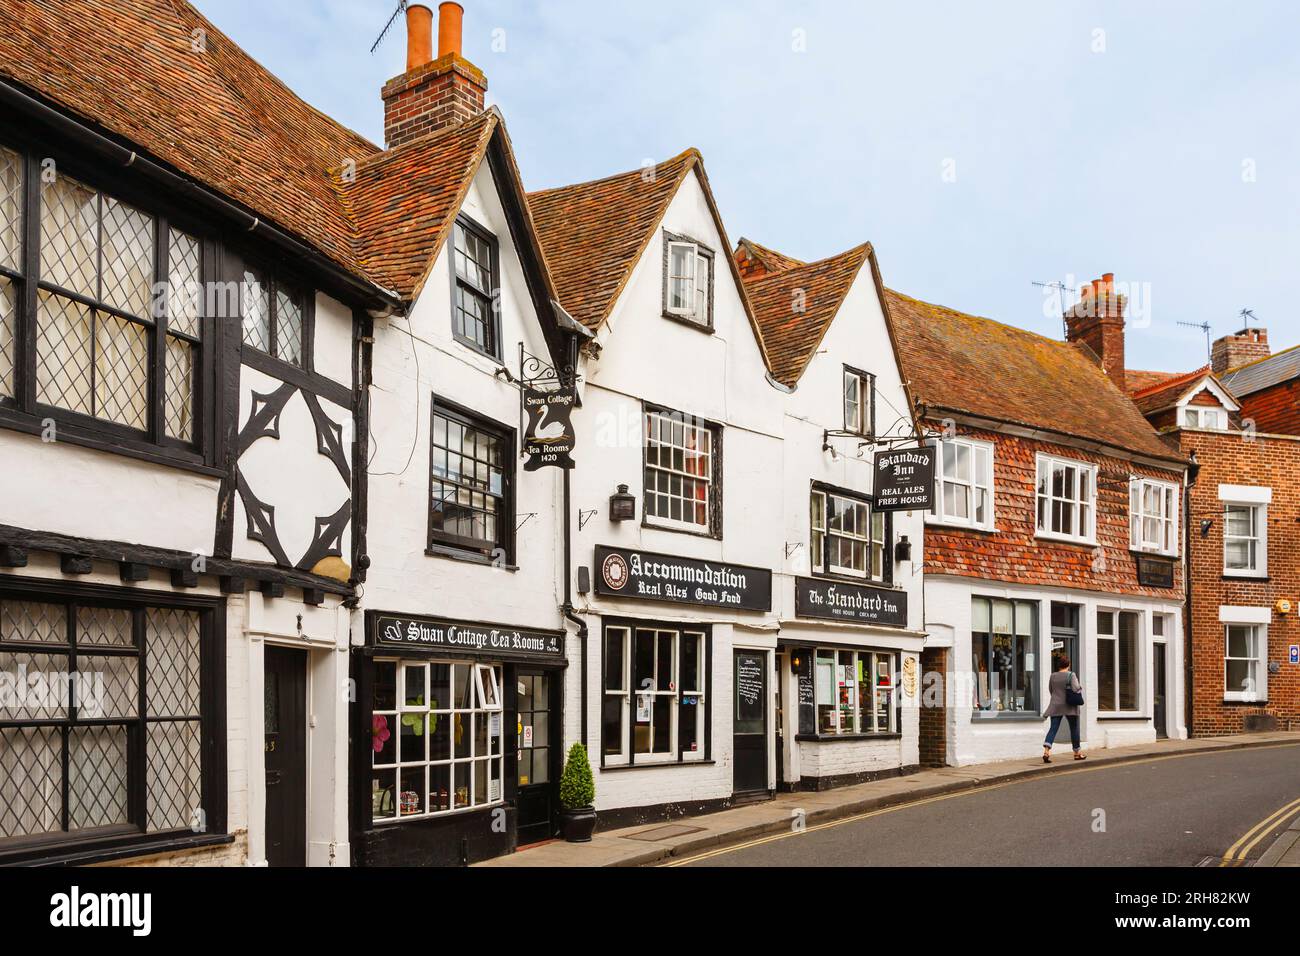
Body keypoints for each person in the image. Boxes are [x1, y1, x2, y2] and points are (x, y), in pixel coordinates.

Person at [1043, 655, 1085, 763]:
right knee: (1074, 728)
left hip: (1056, 705)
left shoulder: (1053, 676)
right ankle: (1077, 753)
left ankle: (1046, 751)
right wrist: (1080, 688)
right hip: (1069, 705)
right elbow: (1076, 688)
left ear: (1059, 665)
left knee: (1053, 728)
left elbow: (1051, 690)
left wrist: (1057, 698)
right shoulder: (1071, 675)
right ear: (1068, 665)